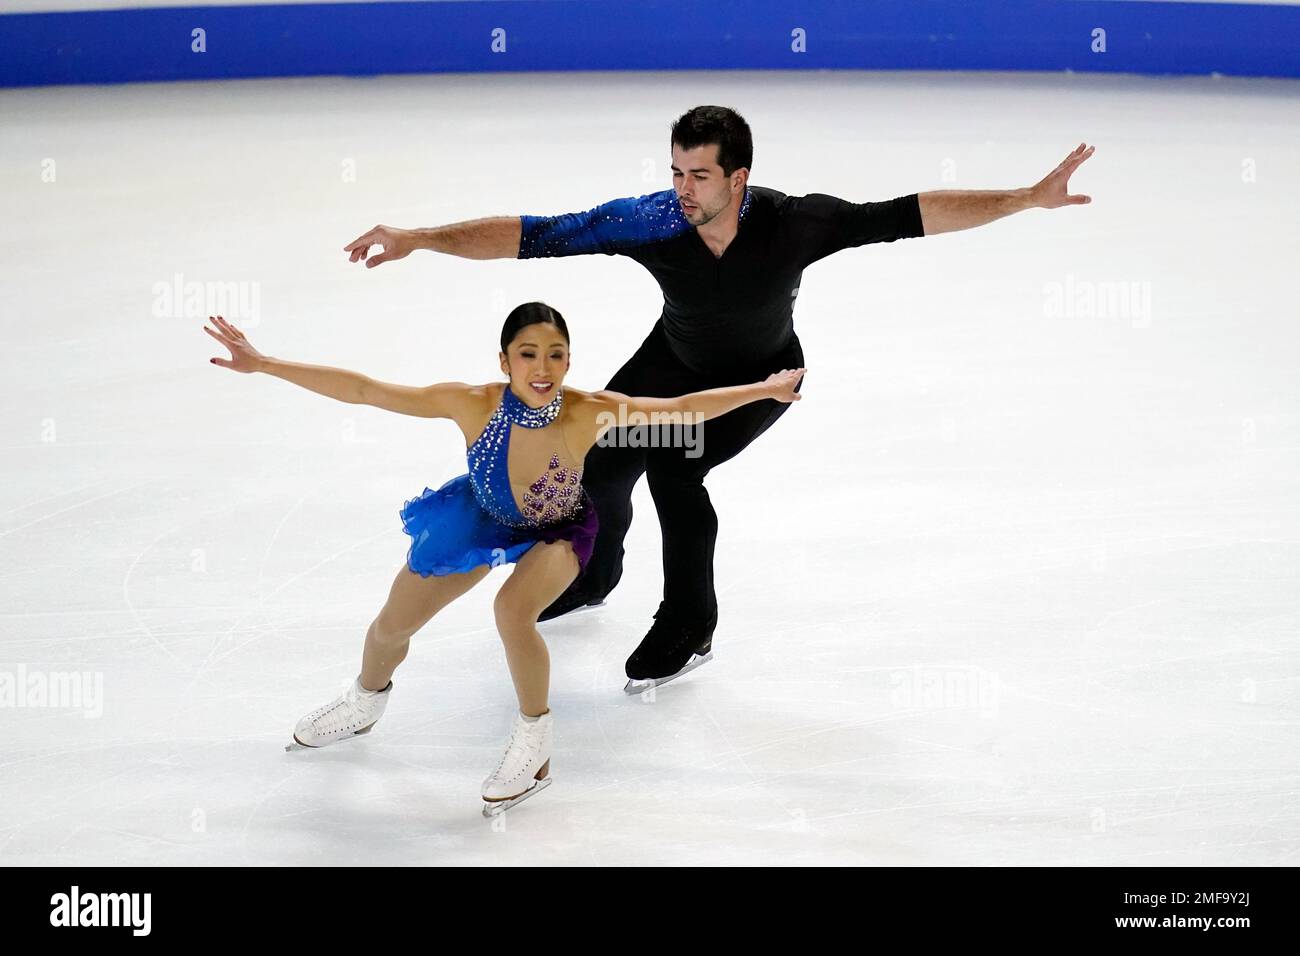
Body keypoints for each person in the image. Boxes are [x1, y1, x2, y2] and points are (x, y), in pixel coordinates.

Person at [342, 105, 1094, 691]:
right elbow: (536, 234)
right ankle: (596, 572)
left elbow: (907, 215)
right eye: (676, 172)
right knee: (599, 459)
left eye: (698, 176)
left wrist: (1026, 197)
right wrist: (422, 237)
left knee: (673, 469)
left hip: (762, 379)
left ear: (738, 178)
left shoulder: (796, 222)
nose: (682, 190)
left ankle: (690, 622)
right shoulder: (655, 221)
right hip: (673, 358)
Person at [203, 303, 805, 815]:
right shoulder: (470, 403)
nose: (542, 368)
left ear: (568, 361)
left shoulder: (588, 410)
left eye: (555, 354)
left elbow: (679, 411)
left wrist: (765, 390)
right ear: (504, 361)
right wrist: (265, 364)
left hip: (560, 529)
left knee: (512, 612)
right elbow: (366, 390)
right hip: (480, 516)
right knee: (393, 623)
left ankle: (534, 745)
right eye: (527, 353)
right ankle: (365, 700)